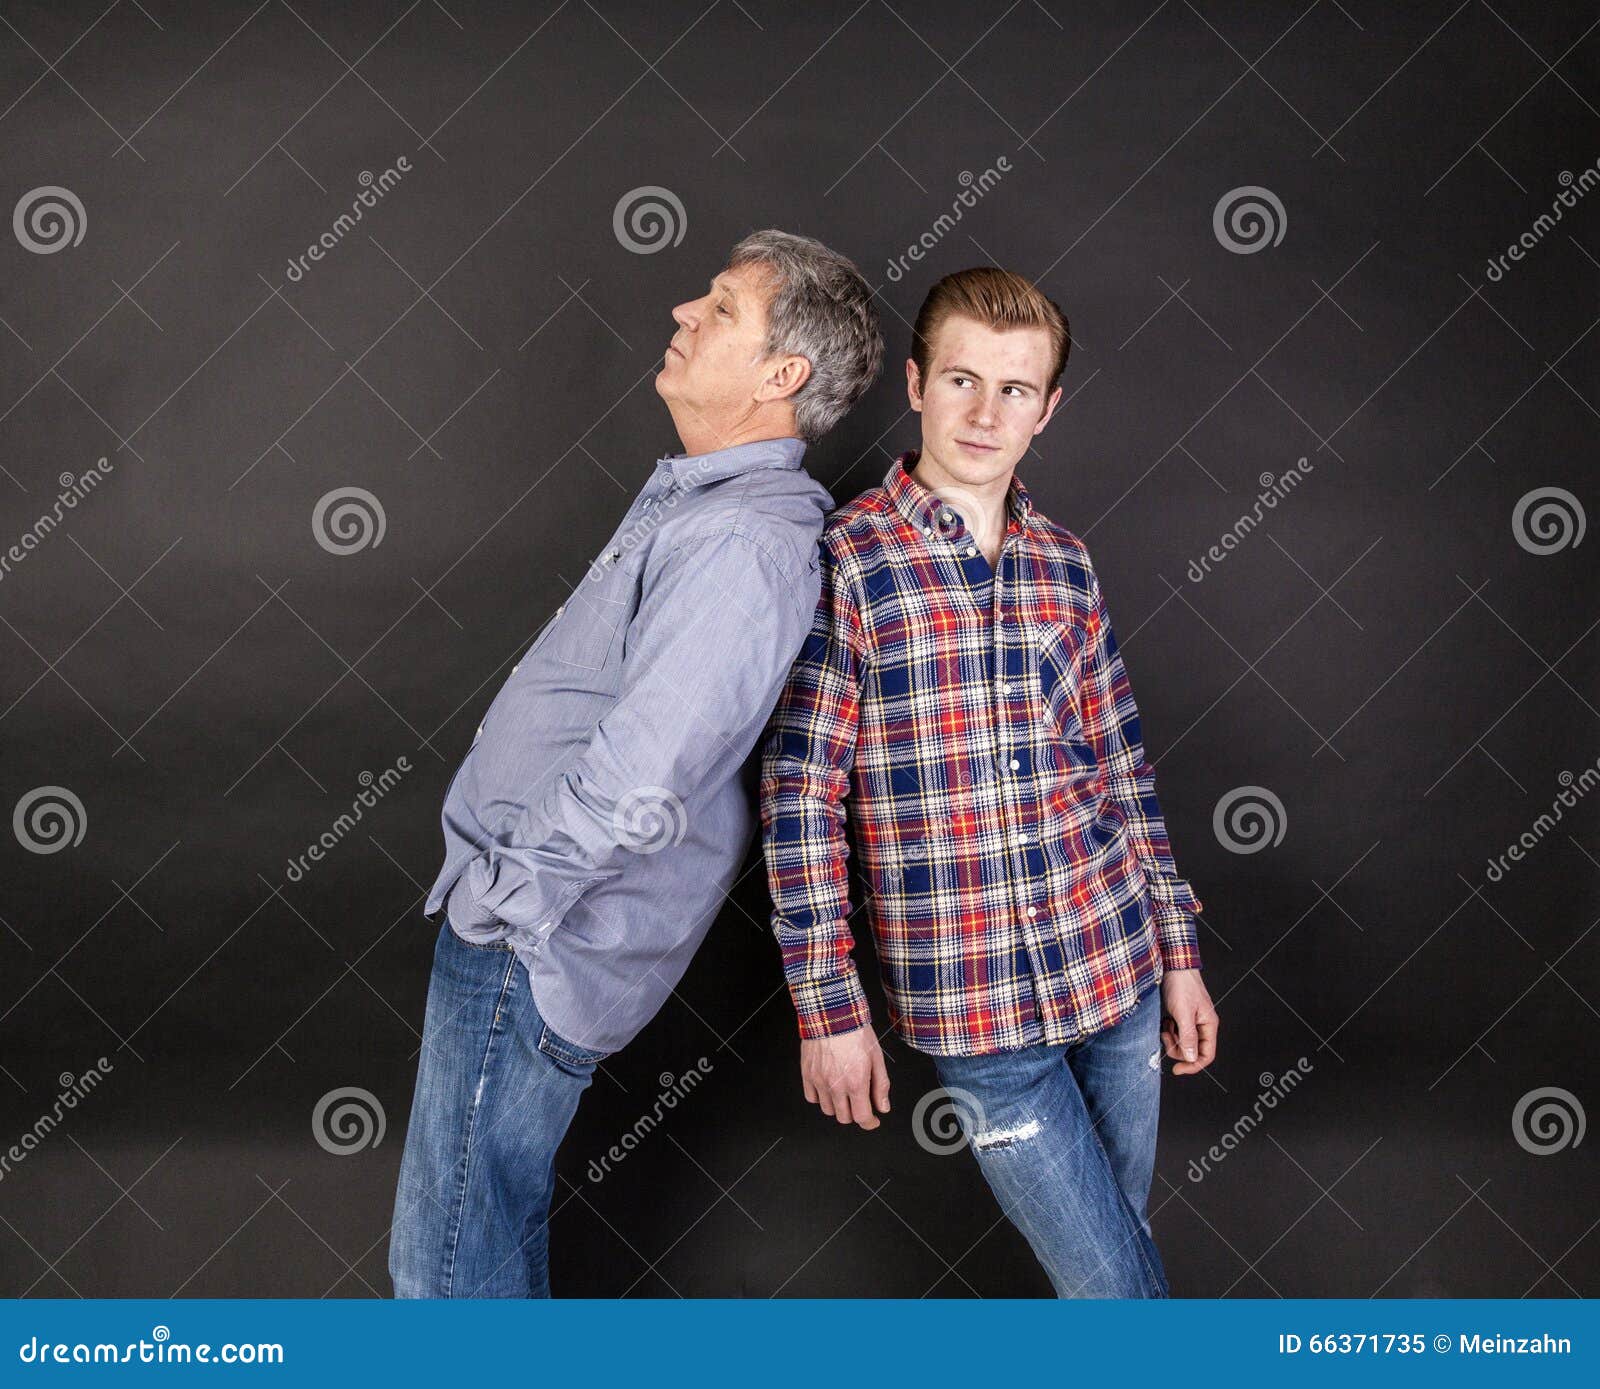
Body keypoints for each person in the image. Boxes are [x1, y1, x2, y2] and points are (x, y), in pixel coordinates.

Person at [389, 229, 884, 1298]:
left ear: (779, 376)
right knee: (477, 1240)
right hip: (527, 924)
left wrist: (510, 898)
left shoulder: (742, 544)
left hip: (536, 935)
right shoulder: (707, 508)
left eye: (719, 308)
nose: (682, 314)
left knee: (445, 1270)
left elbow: (644, 779)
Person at [759, 265, 1218, 1298]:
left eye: (1014, 390)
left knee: (1109, 1267)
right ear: (916, 384)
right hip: (972, 1005)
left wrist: (1177, 952)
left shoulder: (1066, 563)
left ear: (1047, 409)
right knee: (1115, 1290)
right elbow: (799, 800)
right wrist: (828, 1009)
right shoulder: (847, 562)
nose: (983, 411)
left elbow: (1119, 767)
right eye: (961, 380)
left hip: (1116, 969)